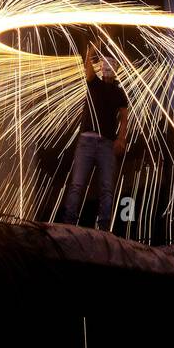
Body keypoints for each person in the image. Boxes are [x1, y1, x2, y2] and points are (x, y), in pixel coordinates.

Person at [58, 40, 129, 230]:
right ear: (102, 67)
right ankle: (69, 223)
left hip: (106, 143)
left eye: (111, 66)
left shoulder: (119, 92)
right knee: (78, 185)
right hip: (87, 141)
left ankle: (104, 226)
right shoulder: (94, 83)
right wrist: (93, 47)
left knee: (106, 188)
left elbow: (124, 118)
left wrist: (121, 139)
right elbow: (88, 67)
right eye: (105, 65)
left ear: (115, 70)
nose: (107, 69)